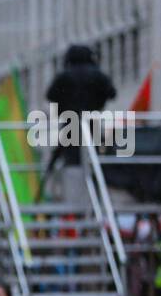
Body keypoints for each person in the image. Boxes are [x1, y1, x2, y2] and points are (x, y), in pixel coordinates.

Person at [41, 44, 116, 204]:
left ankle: (76, 202)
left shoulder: (64, 76)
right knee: (97, 163)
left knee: (72, 165)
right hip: (92, 127)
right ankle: (97, 200)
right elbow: (111, 93)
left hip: (70, 128)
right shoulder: (97, 75)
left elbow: (50, 95)